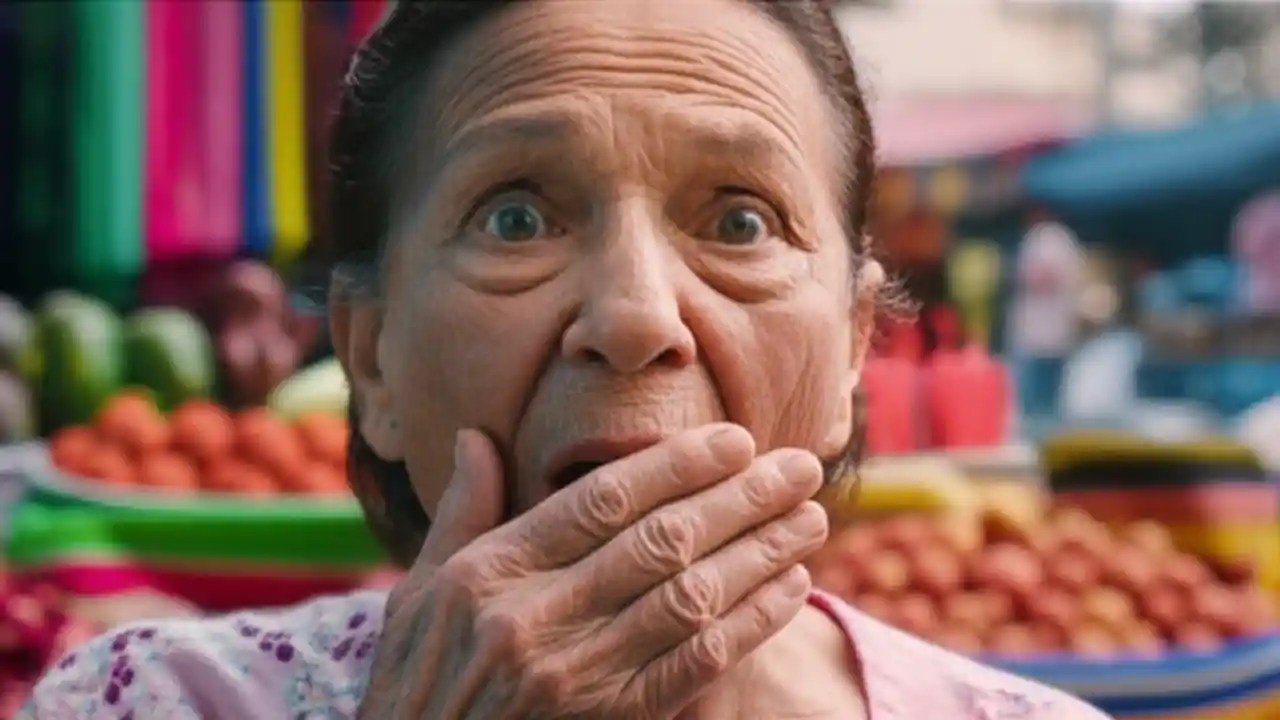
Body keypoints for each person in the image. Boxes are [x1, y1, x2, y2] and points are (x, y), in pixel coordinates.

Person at [21, 1, 1113, 718]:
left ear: (845, 355)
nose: (635, 317)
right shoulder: (148, 702)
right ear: (372, 359)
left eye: (739, 223)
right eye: (512, 219)